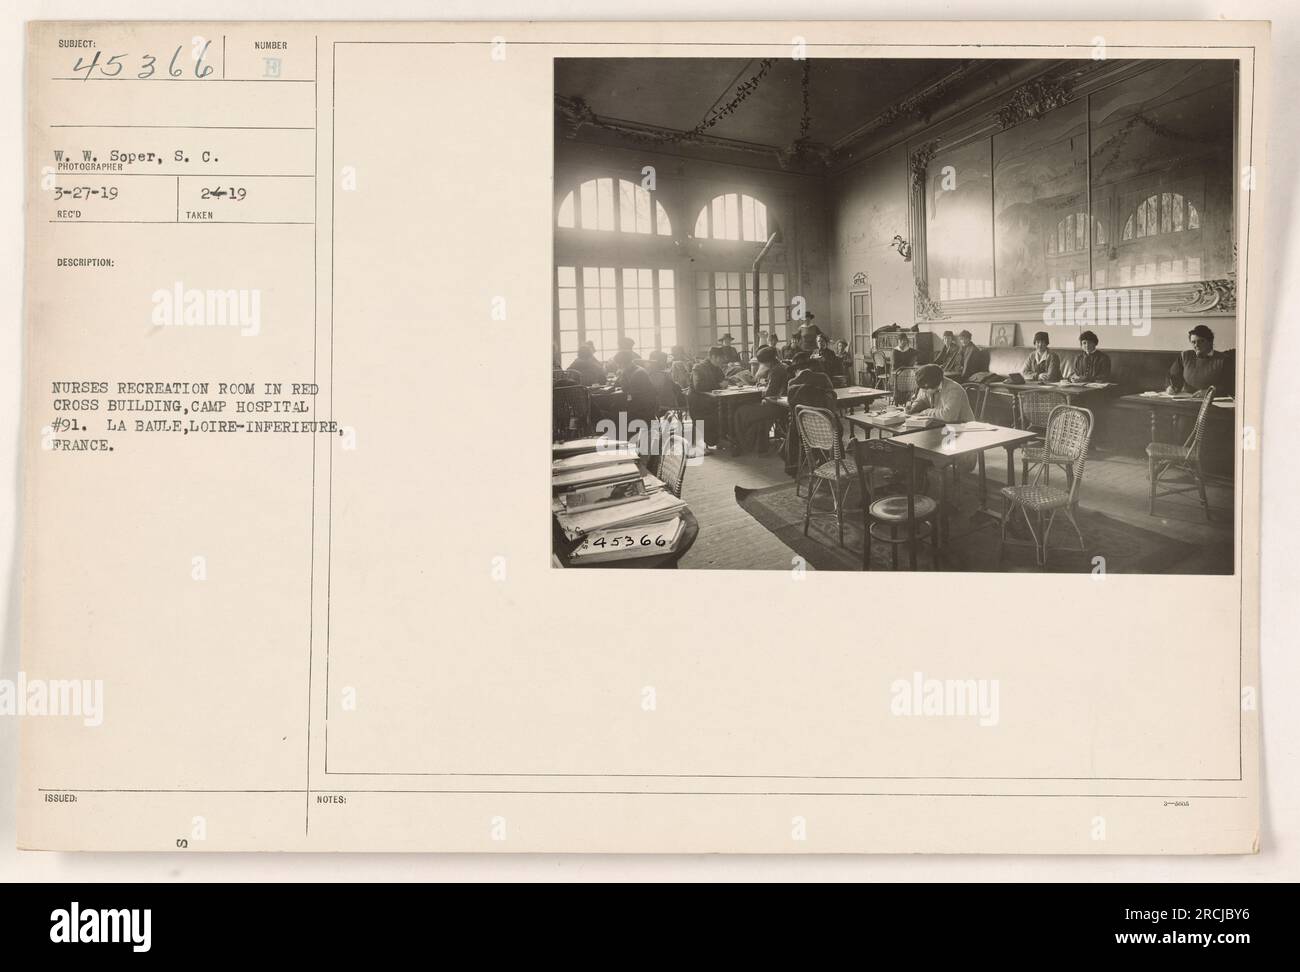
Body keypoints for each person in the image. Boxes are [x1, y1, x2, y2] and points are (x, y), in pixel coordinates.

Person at [907, 363, 978, 475]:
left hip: (962, 430)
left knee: (923, 445)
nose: (924, 391)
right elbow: (922, 399)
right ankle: (915, 476)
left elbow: (948, 416)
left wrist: (925, 412)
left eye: (925, 389)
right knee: (909, 441)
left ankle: (922, 474)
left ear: (935, 384)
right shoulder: (928, 385)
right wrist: (914, 406)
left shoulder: (954, 389)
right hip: (941, 427)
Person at [783, 352, 839, 476]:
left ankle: (801, 460)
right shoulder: (823, 377)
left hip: (803, 430)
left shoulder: (792, 383)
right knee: (836, 422)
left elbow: (792, 410)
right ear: (811, 366)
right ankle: (832, 459)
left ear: (796, 369)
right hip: (827, 429)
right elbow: (832, 403)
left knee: (791, 425)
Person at [733, 346, 791, 455]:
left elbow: (771, 393)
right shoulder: (780, 366)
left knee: (740, 411)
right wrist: (765, 386)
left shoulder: (776, 370)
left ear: (767, 361)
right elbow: (773, 388)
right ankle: (751, 443)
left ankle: (742, 443)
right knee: (754, 415)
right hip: (779, 404)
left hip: (776, 406)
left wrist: (764, 392)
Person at [1167, 324, 1234, 396]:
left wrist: (1208, 392)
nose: (1196, 345)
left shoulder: (1224, 360)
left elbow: (1229, 386)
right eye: (1193, 342)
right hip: (1186, 399)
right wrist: (1171, 387)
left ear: (1210, 342)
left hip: (1211, 400)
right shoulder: (1184, 356)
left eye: (1201, 341)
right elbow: (1173, 377)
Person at [689, 346, 731, 448]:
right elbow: (698, 386)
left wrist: (727, 382)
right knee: (716, 410)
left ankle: (724, 436)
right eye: (720, 358)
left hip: (711, 398)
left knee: (730, 407)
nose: (722, 361)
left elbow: (723, 380)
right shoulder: (698, 367)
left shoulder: (717, 368)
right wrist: (719, 385)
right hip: (698, 400)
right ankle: (716, 439)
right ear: (713, 357)